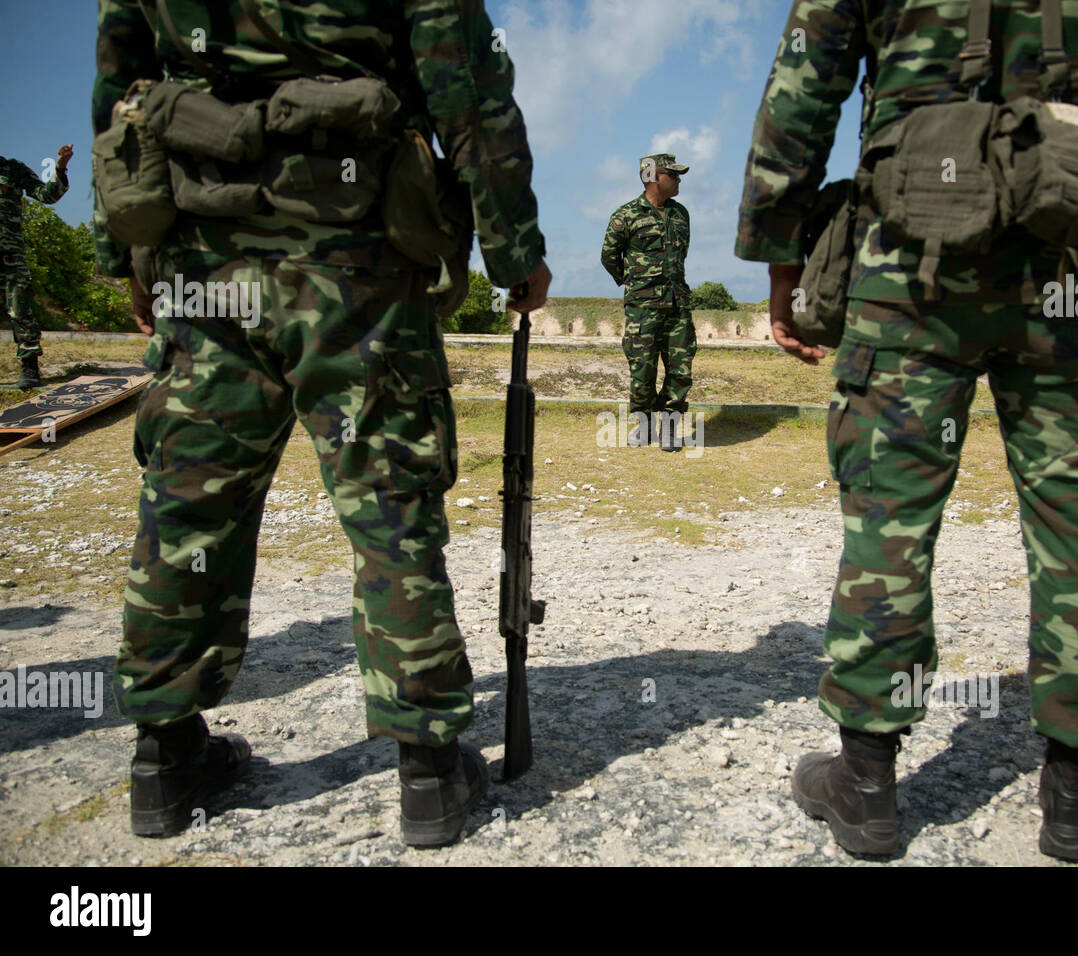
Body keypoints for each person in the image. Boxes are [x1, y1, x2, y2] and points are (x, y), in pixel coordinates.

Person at [736, 0, 1078, 861]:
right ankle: (1077, 792)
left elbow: (802, 86)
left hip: (909, 260)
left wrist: (783, 252)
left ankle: (866, 784)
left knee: (889, 514)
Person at [95, 0, 549, 847]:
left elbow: (119, 81)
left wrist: (122, 249)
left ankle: (164, 756)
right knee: (388, 505)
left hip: (202, 256)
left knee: (189, 500)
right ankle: (429, 774)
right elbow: (469, 91)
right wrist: (514, 248)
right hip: (357, 258)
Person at [601, 153, 695, 451]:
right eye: (674, 174)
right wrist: (637, 284)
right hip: (642, 310)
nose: (679, 180)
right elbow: (609, 257)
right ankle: (644, 427)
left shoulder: (681, 214)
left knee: (680, 371)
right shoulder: (625, 216)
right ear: (654, 177)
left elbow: (681, 255)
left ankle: (668, 428)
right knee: (642, 373)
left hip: (678, 306)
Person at [2, 145, 72, 388]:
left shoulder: (12, 170)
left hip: (11, 254)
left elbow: (47, 195)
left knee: (19, 308)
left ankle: (29, 367)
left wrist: (61, 167)